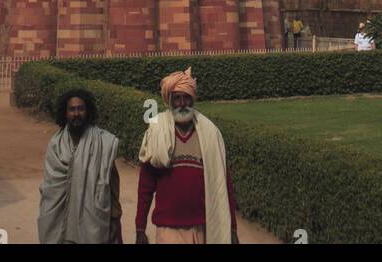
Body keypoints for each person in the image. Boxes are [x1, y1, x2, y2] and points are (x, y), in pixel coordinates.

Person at [136, 68, 238, 245]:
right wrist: (139, 228)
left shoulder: (210, 133)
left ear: (193, 99)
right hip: (169, 229)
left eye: (186, 97)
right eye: (177, 98)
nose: (182, 103)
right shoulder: (157, 131)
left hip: (204, 227)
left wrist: (233, 229)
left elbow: (224, 184)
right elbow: (146, 185)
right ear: (169, 100)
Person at [38, 89, 122, 245]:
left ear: (87, 111)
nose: (76, 114)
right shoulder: (56, 145)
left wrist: (115, 220)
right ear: (65, 113)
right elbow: (49, 188)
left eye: (81, 109)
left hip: (92, 225)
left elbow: (112, 186)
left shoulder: (103, 143)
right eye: (72, 109)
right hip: (57, 222)